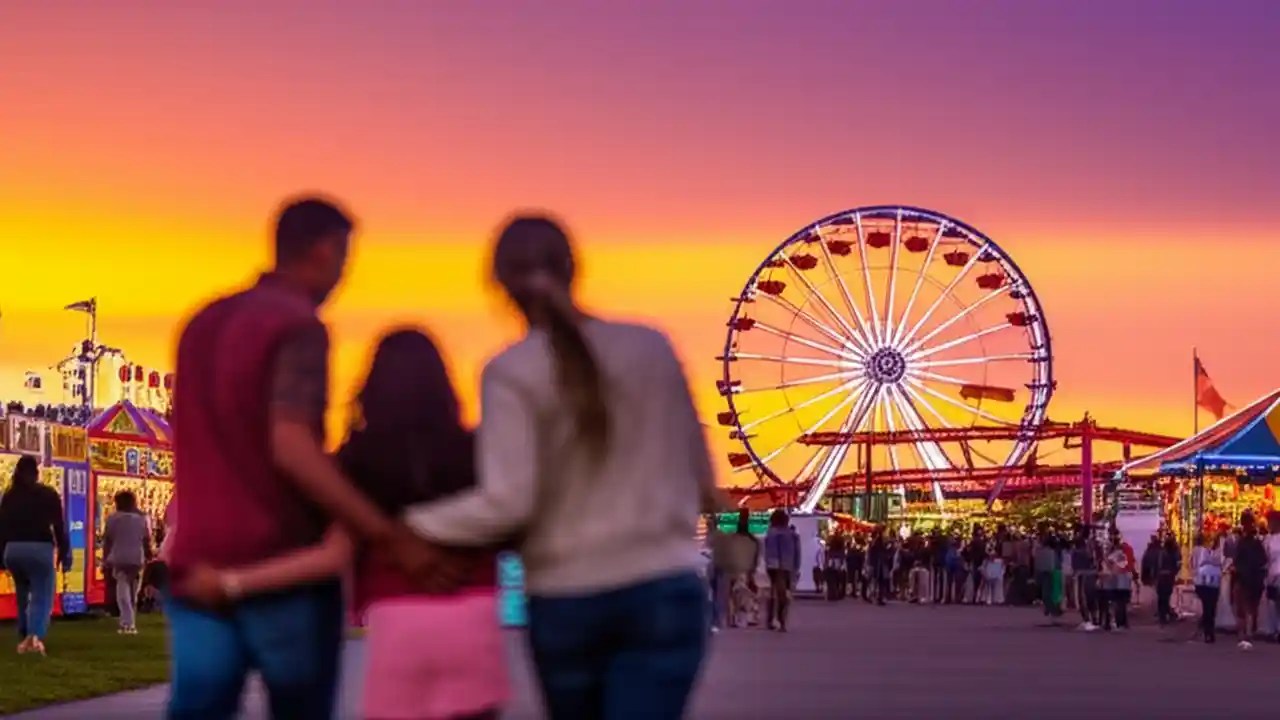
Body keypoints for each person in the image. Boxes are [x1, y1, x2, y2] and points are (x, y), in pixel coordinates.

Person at [403, 215, 723, 719]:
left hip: (569, 595)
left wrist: (410, 527)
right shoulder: (651, 348)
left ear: (500, 285)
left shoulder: (511, 371)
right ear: (576, 268)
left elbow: (509, 502)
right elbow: (703, 476)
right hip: (665, 582)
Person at [165, 197, 435, 719]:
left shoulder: (201, 323)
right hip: (282, 560)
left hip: (197, 562)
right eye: (343, 257)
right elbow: (291, 446)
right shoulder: (297, 326)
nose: (342, 274)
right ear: (324, 249)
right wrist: (382, 532)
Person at [184, 329, 508, 720]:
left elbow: (331, 557)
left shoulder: (360, 461)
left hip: (397, 624)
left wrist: (229, 583)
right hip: (473, 619)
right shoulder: (475, 453)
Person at [0, 455, 71, 655]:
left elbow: (2, 527)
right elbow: (59, 526)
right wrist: (63, 552)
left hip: (12, 550)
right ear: (36, 473)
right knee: (42, 594)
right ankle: (34, 637)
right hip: (39, 548)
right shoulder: (48, 494)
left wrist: (2, 555)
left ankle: (24, 632)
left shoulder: (9, 495)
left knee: (22, 594)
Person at [103, 491, 152, 634]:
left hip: (119, 557)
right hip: (137, 558)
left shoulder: (113, 519)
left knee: (122, 588)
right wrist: (148, 554)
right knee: (133, 590)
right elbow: (146, 539)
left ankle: (127, 622)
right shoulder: (141, 519)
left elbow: (108, 541)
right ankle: (131, 621)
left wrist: (106, 559)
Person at [1231, 512, 1267, 649]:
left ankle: (1244, 633)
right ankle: (1250, 630)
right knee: (1251, 606)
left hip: (1243, 577)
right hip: (1255, 578)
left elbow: (1237, 560)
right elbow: (1263, 560)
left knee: (1242, 606)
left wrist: (1238, 569)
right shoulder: (1257, 543)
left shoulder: (1241, 543)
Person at [763, 509, 801, 630]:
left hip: (773, 566)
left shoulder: (770, 533)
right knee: (784, 593)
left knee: (774, 592)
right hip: (787, 566)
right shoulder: (792, 534)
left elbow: (766, 551)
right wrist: (796, 567)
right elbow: (797, 553)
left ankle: (771, 618)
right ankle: (781, 619)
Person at [1192, 532, 1223, 644]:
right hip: (1206, 582)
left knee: (1210, 608)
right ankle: (1208, 632)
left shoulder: (1216, 552)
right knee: (1209, 607)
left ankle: (1208, 631)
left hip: (1211, 582)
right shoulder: (1201, 551)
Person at [1155, 534, 1182, 626]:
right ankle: (1165, 614)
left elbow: (1158, 564)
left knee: (1161, 596)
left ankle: (1162, 615)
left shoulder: (1162, 552)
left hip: (1162, 576)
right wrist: (1174, 572)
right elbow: (1178, 564)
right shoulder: (1174, 552)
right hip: (1169, 576)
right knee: (1166, 596)